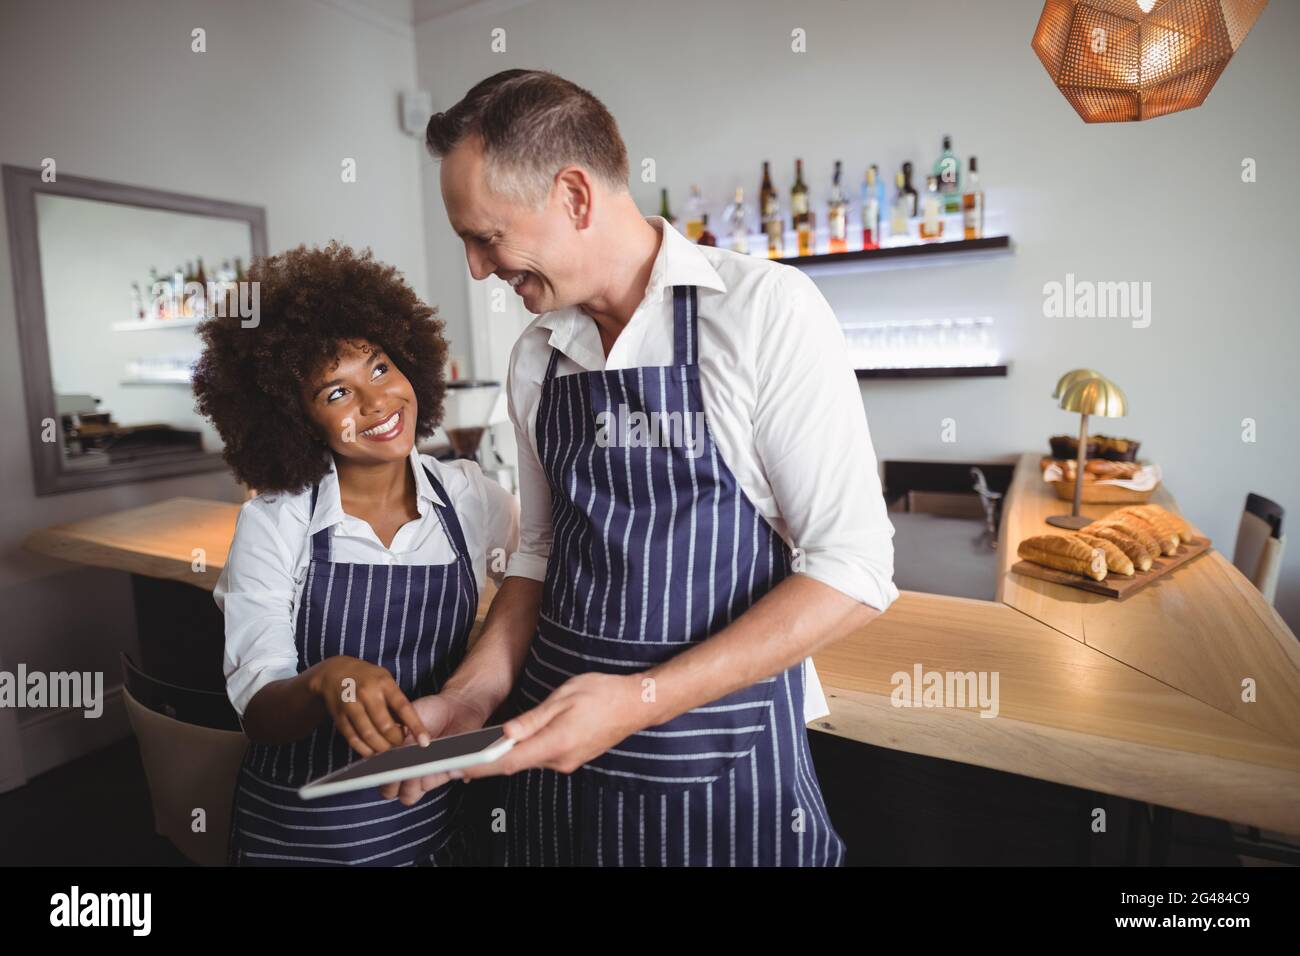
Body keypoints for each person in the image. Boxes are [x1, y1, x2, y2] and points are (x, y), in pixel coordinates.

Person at [394, 69, 898, 866]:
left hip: (717, 775)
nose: (478, 269)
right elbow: (540, 555)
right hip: (552, 772)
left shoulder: (764, 313)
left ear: (575, 195)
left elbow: (852, 572)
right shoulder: (539, 357)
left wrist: (637, 702)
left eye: (486, 236)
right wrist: (471, 694)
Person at [193, 241, 518, 865]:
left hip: (432, 821)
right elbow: (260, 712)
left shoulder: (471, 498)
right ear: (296, 420)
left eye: (379, 368)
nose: (375, 403)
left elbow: (535, 582)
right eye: (335, 394)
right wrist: (323, 679)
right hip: (303, 838)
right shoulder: (276, 522)